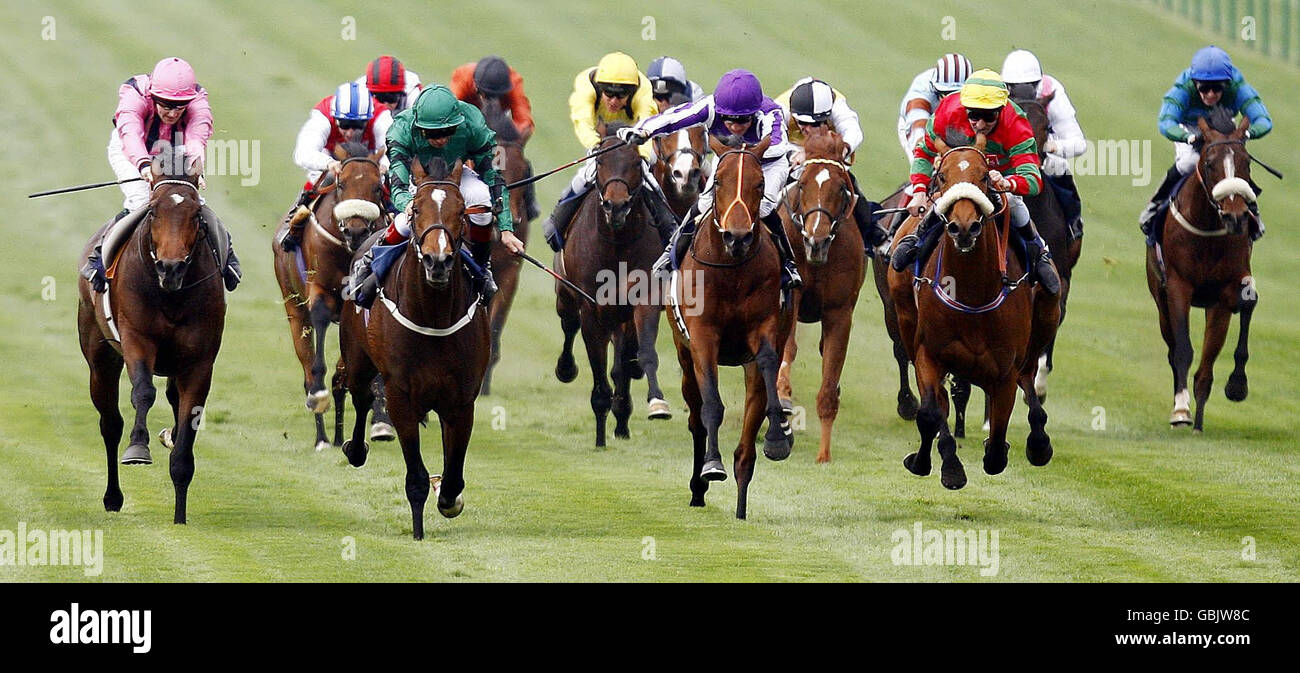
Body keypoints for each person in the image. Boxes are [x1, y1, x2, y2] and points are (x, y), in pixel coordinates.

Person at [622, 69, 803, 289]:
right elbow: (674, 118)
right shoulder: (709, 107)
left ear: (755, 112)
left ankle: (788, 264)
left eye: (742, 120)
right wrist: (643, 131)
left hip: (767, 163)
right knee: (705, 202)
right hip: (729, 157)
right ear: (719, 110)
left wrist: (739, 153)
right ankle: (671, 253)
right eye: (728, 119)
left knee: (763, 207)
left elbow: (777, 146)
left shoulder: (771, 113)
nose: (735, 126)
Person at [346, 86, 524, 308]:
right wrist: (407, 204)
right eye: (432, 133)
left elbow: (494, 177)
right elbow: (398, 184)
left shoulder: (474, 124)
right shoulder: (400, 130)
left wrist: (506, 229)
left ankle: (481, 266)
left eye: (448, 131)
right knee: (404, 223)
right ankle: (369, 261)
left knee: (482, 201)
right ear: (418, 126)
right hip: (418, 176)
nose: (441, 139)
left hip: (456, 174)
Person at [891, 69, 1060, 295]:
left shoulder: (1016, 123)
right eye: (974, 115)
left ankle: (1039, 253)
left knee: (1014, 203)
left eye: (989, 117)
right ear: (965, 108)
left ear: (1001, 110)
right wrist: (920, 190)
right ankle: (917, 240)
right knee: (940, 200)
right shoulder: (948, 111)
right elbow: (924, 152)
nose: (980, 124)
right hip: (958, 174)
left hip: (999, 179)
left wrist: (1008, 183)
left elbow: (1032, 178)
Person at [82, 57, 241, 292]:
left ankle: (227, 258)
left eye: (180, 106)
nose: (173, 113)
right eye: (166, 105)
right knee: (141, 200)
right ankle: (100, 258)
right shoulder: (135, 94)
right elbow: (131, 134)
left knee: (191, 203)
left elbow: (197, 137)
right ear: (153, 96)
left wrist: (196, 168)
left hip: (174, 148)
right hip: (131, 147)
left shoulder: (197, 100)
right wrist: (143, 165)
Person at [541, 52, 679, 252]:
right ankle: (557, 220)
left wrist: (642, 154)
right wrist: (596, 147)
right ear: (600, 89)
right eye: (608, 94)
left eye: (621, 96)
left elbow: (647, 126)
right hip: (600, 135)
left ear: (631, 92)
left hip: (634, 135)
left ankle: (669, 229)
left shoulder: (643, 91)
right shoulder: (586, 87)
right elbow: (583, 123)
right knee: (587, 173)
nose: (614, 101)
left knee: (647, 174)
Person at [1138, 45, 1271, 240]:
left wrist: (1247, 134)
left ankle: (1252, 210)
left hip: (1223, 125)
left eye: (1217, 88)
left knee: (1233, 161)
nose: (1210, 94)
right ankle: (1155, 204)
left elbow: (1263, 120)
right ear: (1195, 83)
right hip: (1190, 128)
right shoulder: (1183, 88)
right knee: (1188, 162)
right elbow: (1166, 122)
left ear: (1227, 84)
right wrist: (1188, 137)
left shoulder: (1238, 87)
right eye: (1204, 88)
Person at [774, 76, 887, 250]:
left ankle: (872, 230)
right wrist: (794, 154)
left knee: (847, 181)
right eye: (803, 123)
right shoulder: (780, 109)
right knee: (773, 185)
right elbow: (775, 141)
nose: (809, 129)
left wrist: (840, 149)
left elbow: (853, 130)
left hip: (828, 149)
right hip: (791, 148)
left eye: (817, 123)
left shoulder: (837, 105)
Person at [278, 82, 393, 251]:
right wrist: (328, 163)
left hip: (369, 162)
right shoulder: (322, 118)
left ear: (368, 119)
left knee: (386, 183)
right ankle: (296, 221)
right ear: (335, 118)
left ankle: (393, 216)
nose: (351, 132)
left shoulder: (382, 118)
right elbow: (302, 153)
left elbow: (394, 149)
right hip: (333, 160)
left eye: (358, 126)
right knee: (323, 179)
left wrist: (384, 166)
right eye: (345, 125)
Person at [1002, 49, 1087, 240]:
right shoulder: (997, 93)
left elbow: (1079, 144)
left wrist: (1050, 146)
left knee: (1059, 169)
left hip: (1045, 157)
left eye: (1030, 85)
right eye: (1014, 87)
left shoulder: (1053, 93)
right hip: (1008, 157)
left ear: (1038, 84)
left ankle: (1073, 228)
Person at [449, 55, 539, 220]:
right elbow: (450, 116)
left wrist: (512, 149)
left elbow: (525, 123)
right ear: (476, 87)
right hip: (467, 119)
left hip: (498, 122)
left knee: (517, 162)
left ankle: (529, 204)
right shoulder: (463, 77)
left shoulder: (514, 81)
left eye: (497, 96)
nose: (491, 99)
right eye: (487, 94)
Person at [897, 53, 972, 164]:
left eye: (958, 95)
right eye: (946, 94)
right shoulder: (919, 98)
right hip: (920, 127)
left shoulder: (978, 91)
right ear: (934, 89)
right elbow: (919, 138)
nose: (952, 101)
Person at [355, 55, 423, 113]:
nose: (385, 106)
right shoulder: (359, 93)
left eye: (391, 98)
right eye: (380, 98)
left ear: (402, 93)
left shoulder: (414, 96)